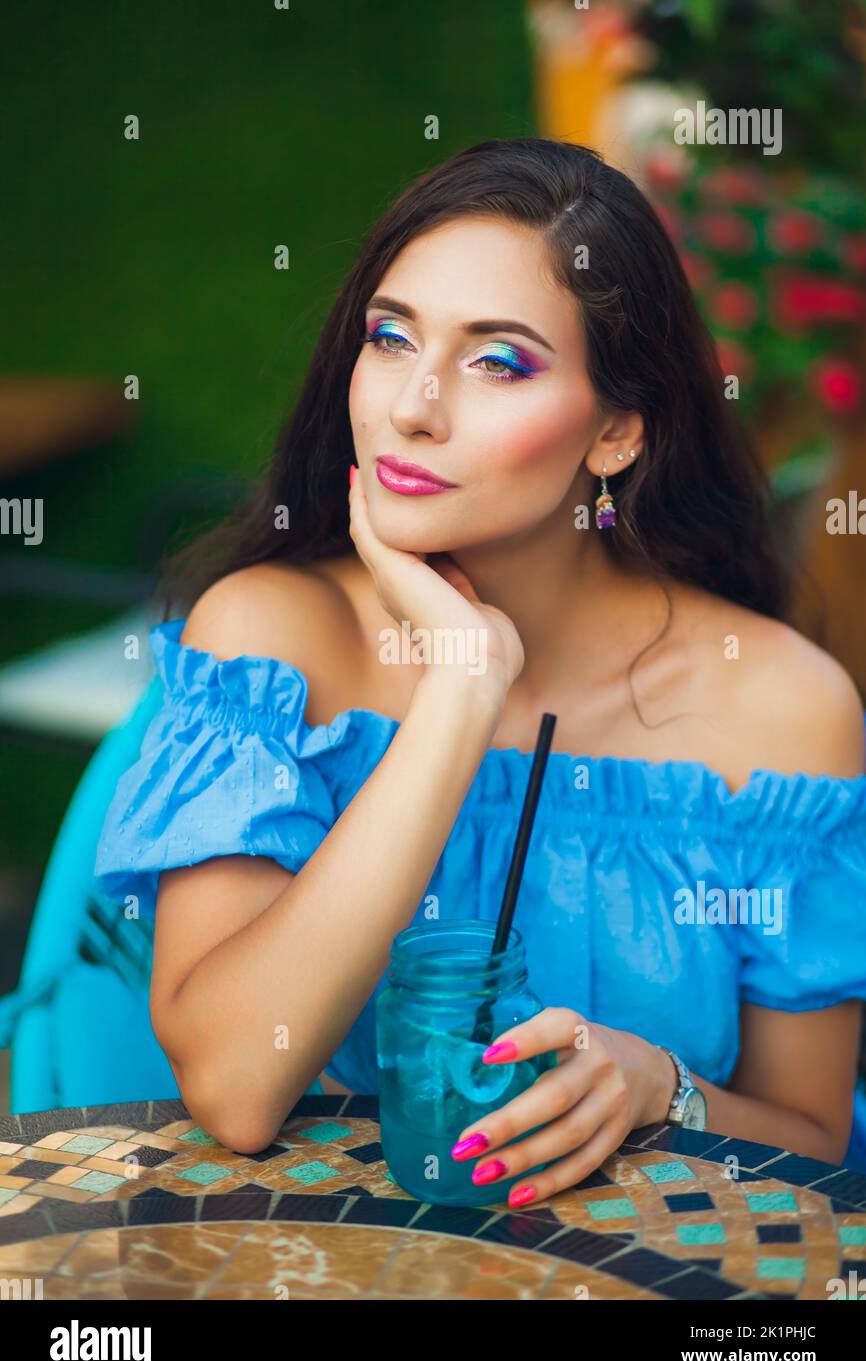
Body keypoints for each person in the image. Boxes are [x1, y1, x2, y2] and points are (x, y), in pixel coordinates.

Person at [94, 138, 866, 1204]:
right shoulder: (273, 639)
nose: (413, 405)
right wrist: (460, 690)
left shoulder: (782, 710)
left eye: (497, 361)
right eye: (390, 335)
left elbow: (815, 1147)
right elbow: (236, 1085)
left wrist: (662, 1091)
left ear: (613, 431)